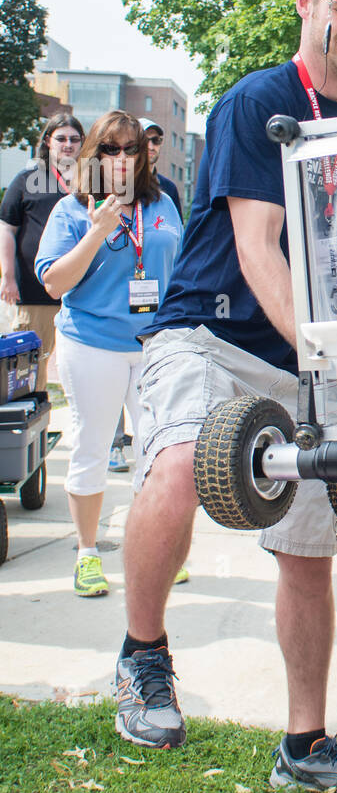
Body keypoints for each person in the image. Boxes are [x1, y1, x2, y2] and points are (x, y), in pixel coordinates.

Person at [111, 0, 337, 793]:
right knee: (180, 464)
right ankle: (141, 655)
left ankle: (303, 745)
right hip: (207, 332)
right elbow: (257, 247)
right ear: (306, 4)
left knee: (308, 554)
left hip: (298, 358)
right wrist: (328, 355)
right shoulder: (258, 101)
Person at [34, 112, 183, 597]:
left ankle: (149, 548)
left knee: (155, 453)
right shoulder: (70, 210)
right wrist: (97, 230)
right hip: (92, 344)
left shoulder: (162, 203)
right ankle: (87, 552)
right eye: (110, 148)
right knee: (93, 448)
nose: (122, 158)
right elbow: (54, 283)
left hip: (154, 347)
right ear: (93, 154)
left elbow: (180, 269)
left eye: (131, 148)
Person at [108, 122, 184, 474]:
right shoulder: (95, 195)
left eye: (155, 140)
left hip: (155, 327)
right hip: (107, 330)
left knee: (152, 431)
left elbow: (177, 247)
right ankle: (114, 445)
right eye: (115, 148)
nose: (150, 146)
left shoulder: (165, 194)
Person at [0, 116, 85, 392]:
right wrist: (8, 278)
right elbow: (6, 230)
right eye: (61, 138)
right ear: (48, 141)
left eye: (74, 139)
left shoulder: (92, 183)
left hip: (84, 295)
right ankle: (33, 417)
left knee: (82, 372)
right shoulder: (26, 180)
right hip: (35, 293)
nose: (68, 144)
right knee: (28, 370)